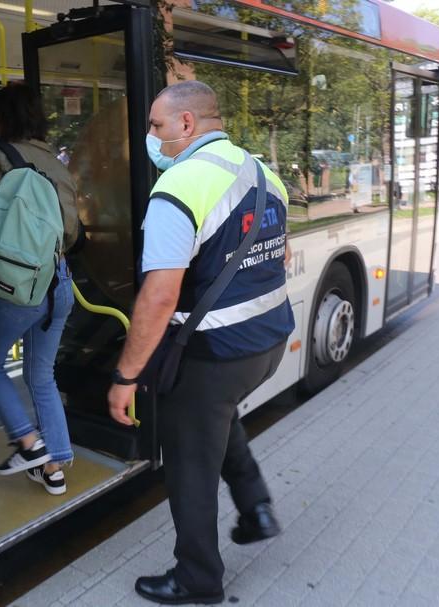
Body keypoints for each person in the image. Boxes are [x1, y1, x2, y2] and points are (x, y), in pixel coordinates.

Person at [107, 81, 295, 605]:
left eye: (155, 125)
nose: (150, 135)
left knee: (190, 464)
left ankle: (198, 580)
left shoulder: (179, 188)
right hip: (268, 342)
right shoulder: (262, 172)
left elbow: (159, 297)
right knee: (216, 414)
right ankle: (255, 506)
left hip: (214, 352)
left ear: (186, 125)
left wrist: (125, 378)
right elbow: (278, 256)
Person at [0, 84, 80, 495]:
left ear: (5, 118)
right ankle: (54, 468)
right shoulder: (55, 160)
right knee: (42, 374)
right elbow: (70, 231)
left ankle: (29, 443)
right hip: (60, 284)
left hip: (17, 289)